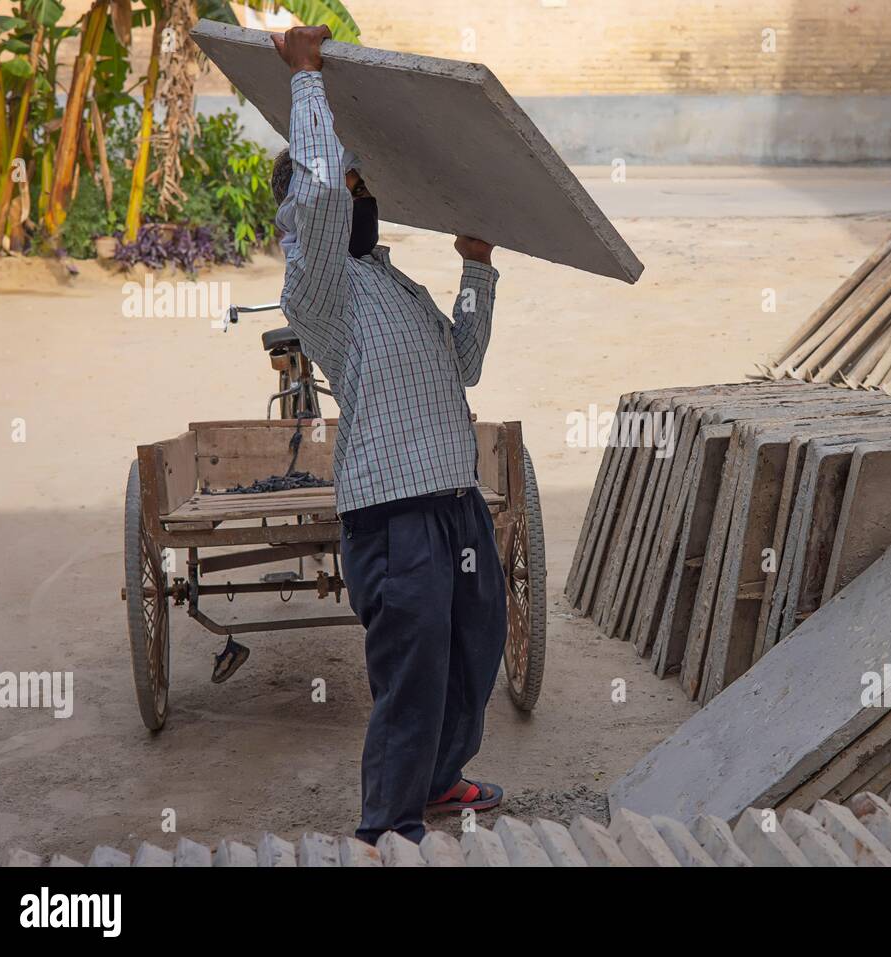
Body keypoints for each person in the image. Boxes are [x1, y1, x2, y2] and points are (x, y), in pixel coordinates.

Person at [270, 24, 507, 844]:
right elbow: (323, 194)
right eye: (356, 188)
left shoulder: (396, 285)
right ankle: (386, 829)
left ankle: (441, 782)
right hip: (392, 516)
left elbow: (465, 365)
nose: (363, 198)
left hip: (454, 503)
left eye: (368, 189)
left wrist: (476, 269)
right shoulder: (319, 288)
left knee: (473, 653)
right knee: (411, 677)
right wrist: (306, 79)